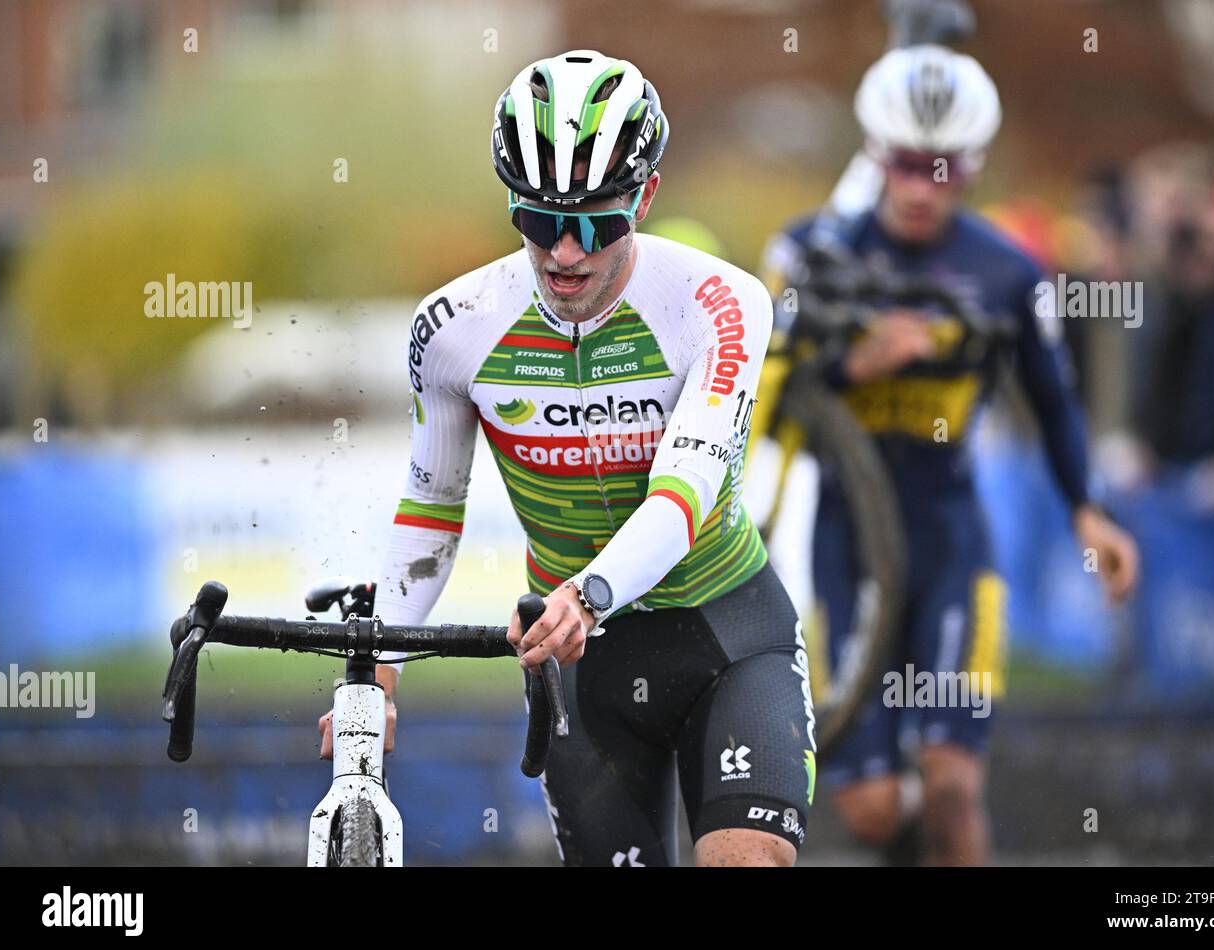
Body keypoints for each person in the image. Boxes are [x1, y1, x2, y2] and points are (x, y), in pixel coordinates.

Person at [319, 50, 816, 867]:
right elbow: (431, 511)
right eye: (540, 221)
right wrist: (381, 672)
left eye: (596, 222)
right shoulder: (454, 329)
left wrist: (586, 597)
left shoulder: (720, 303)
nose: (565, 253)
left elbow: (683, 493)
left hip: (728, 631)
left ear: (647, 197)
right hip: (581, 672)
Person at [759, 45, 1139, 864]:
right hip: (846, 544)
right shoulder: (812, 254)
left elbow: (1055, 399)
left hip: (953, 543)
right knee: (865, 810)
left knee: (953, 784)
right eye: (905, 166)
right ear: (875, 156)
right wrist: (851, 364)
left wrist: (1091, 511)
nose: (923, 188)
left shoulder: (1005, 270)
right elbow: (759, 402)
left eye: (943, 169)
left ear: (970, 166)